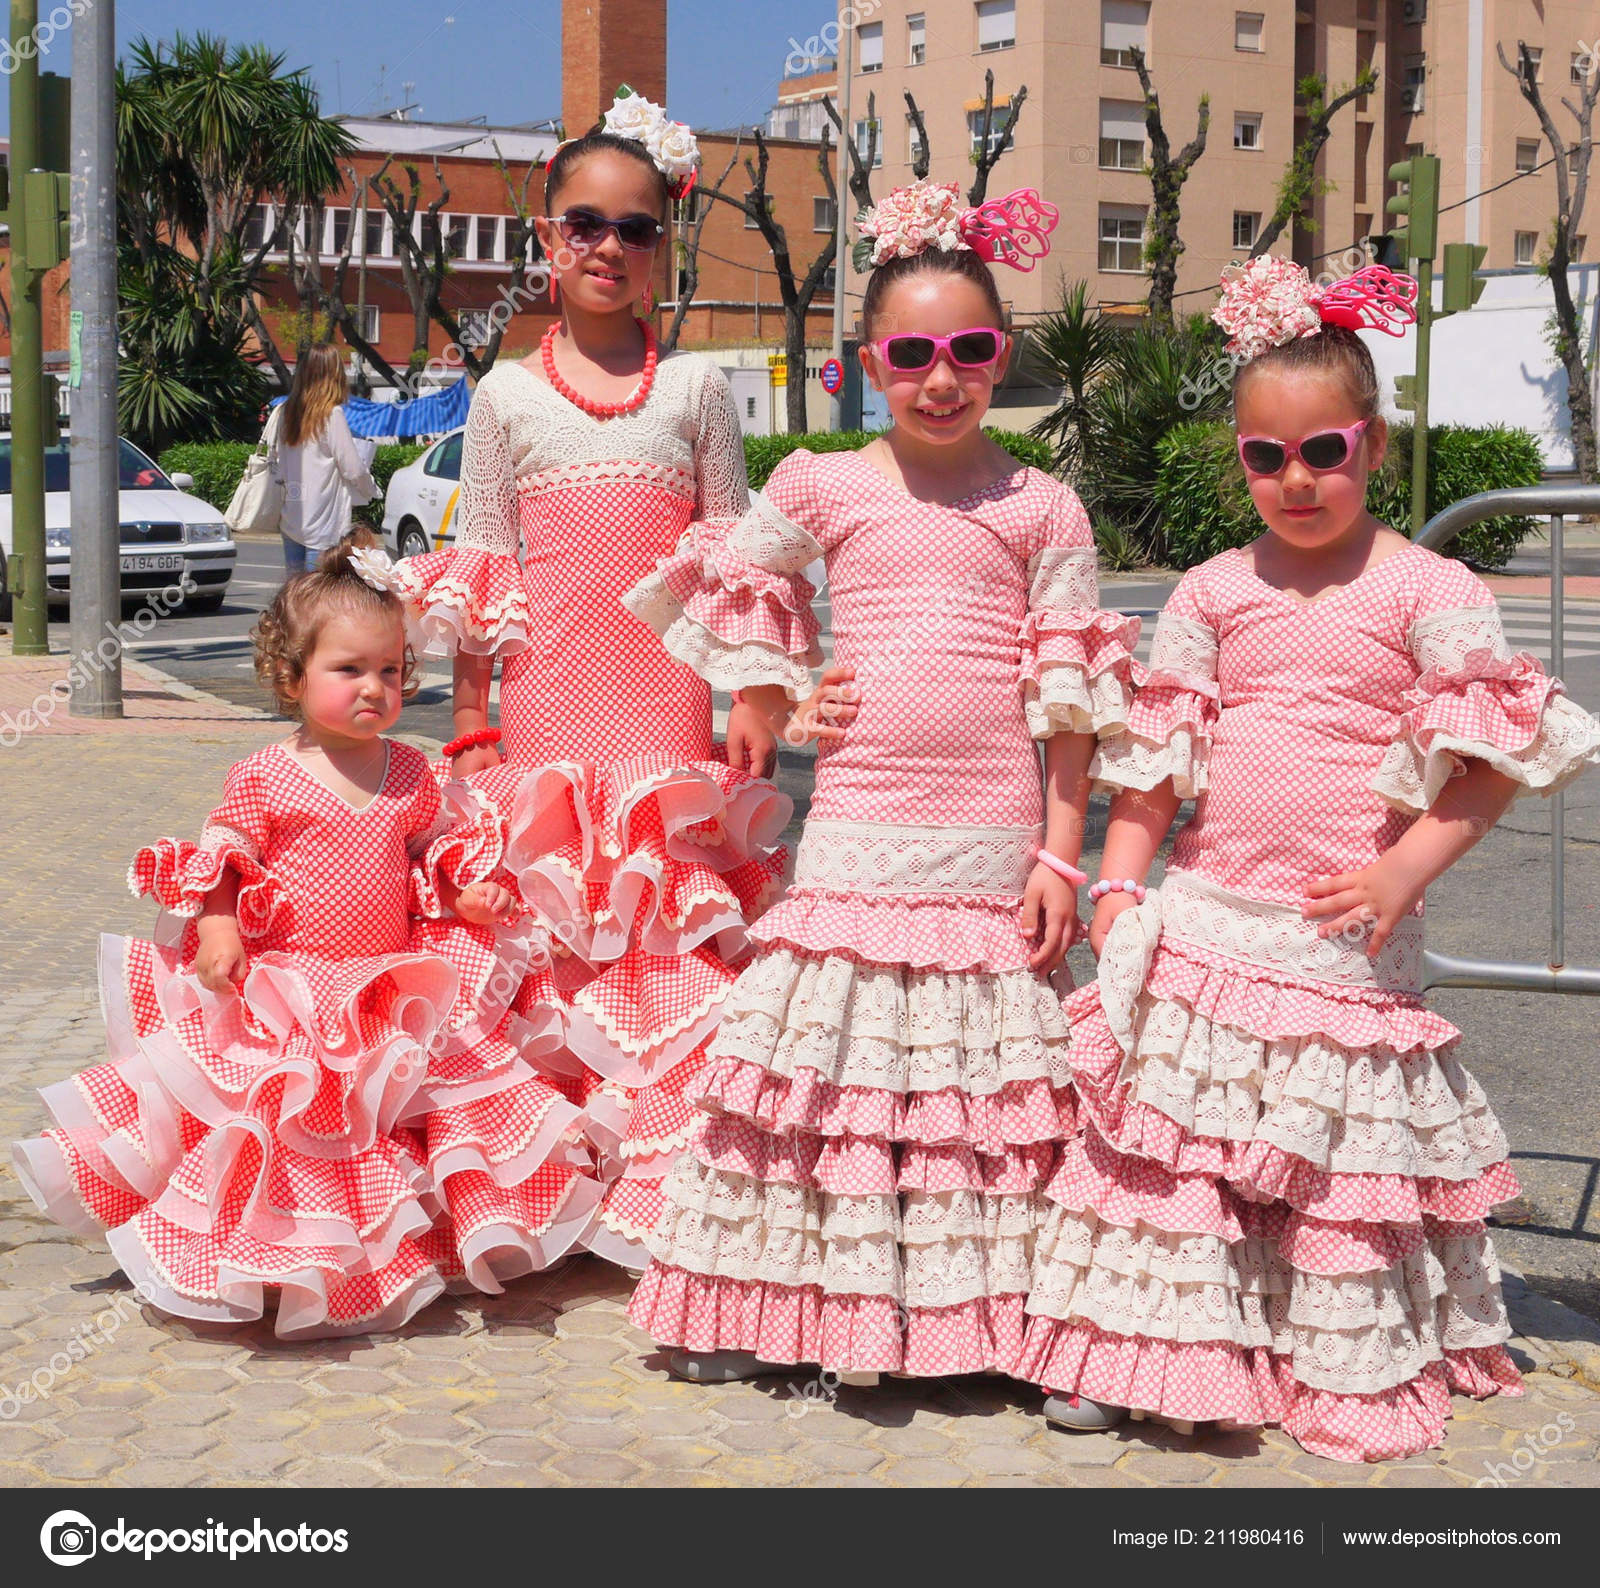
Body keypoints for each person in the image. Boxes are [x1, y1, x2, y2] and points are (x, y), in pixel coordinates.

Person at [1014, 256, 1600, 1460]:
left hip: (1342, 932)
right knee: (1180, 1149)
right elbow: (1159, 769)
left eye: (1322, 451)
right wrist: (1122, 884)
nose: (1295, 479)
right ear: (1237, 458)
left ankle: (1312, 1347)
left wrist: (1403, 871)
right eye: (1263, 456)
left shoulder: (1430, 589)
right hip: (1212, 915)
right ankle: (1155, 1350)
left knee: (1329, 1160)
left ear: (1372, 447)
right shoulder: (1214, 589)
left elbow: (1491, 763)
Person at [625, 182, 1140, 1383]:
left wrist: (1063, 854)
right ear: (870, 362)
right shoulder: (817, 482)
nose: (942, 376)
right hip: (860, 827)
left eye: (969, 349)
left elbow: (1067, 708)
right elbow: (737, 594)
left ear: (1000, 354)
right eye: (912, 353)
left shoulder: (1043, 505)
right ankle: (780, 1314)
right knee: (834, 1082)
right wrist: (790, 693)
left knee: (975, 1098)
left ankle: (974, 1329)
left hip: (993, 844)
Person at [395, 90, 789, 1269]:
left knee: (662, 943)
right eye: (584, 225)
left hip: (667, 715)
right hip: (545, 708)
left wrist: (754, 692)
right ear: (544, 243)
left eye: (636, 228)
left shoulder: (698, 392)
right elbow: (486, 567)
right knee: (549, 942)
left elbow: (731, 556)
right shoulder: (505, 394)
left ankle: (664, 1195)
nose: (608, 248)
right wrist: (471, 723)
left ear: (665, 241)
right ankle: (547, 1194)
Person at [10, 532, 526, 1338]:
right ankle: (271, 1252)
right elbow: (224, 855)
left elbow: (433, 860)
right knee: (285, 1124)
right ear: (291, 677)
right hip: (288, 986)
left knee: (384, 1124)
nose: (375, 689)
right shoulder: (267, 773)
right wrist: (217, 924)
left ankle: (383, 1254)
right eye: (349, 670)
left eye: (391, 671)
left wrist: (474, 893)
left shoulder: (412, 773)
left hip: (384, 987)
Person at [274, 343, 379, 578]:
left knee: (295, 596)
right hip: (323, 525)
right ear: (334, 375)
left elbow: (281, 465)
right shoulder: (332, 415)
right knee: (318, 598)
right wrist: (371, 489)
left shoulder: (287, 413)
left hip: (292, 519)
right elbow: (353, 469)